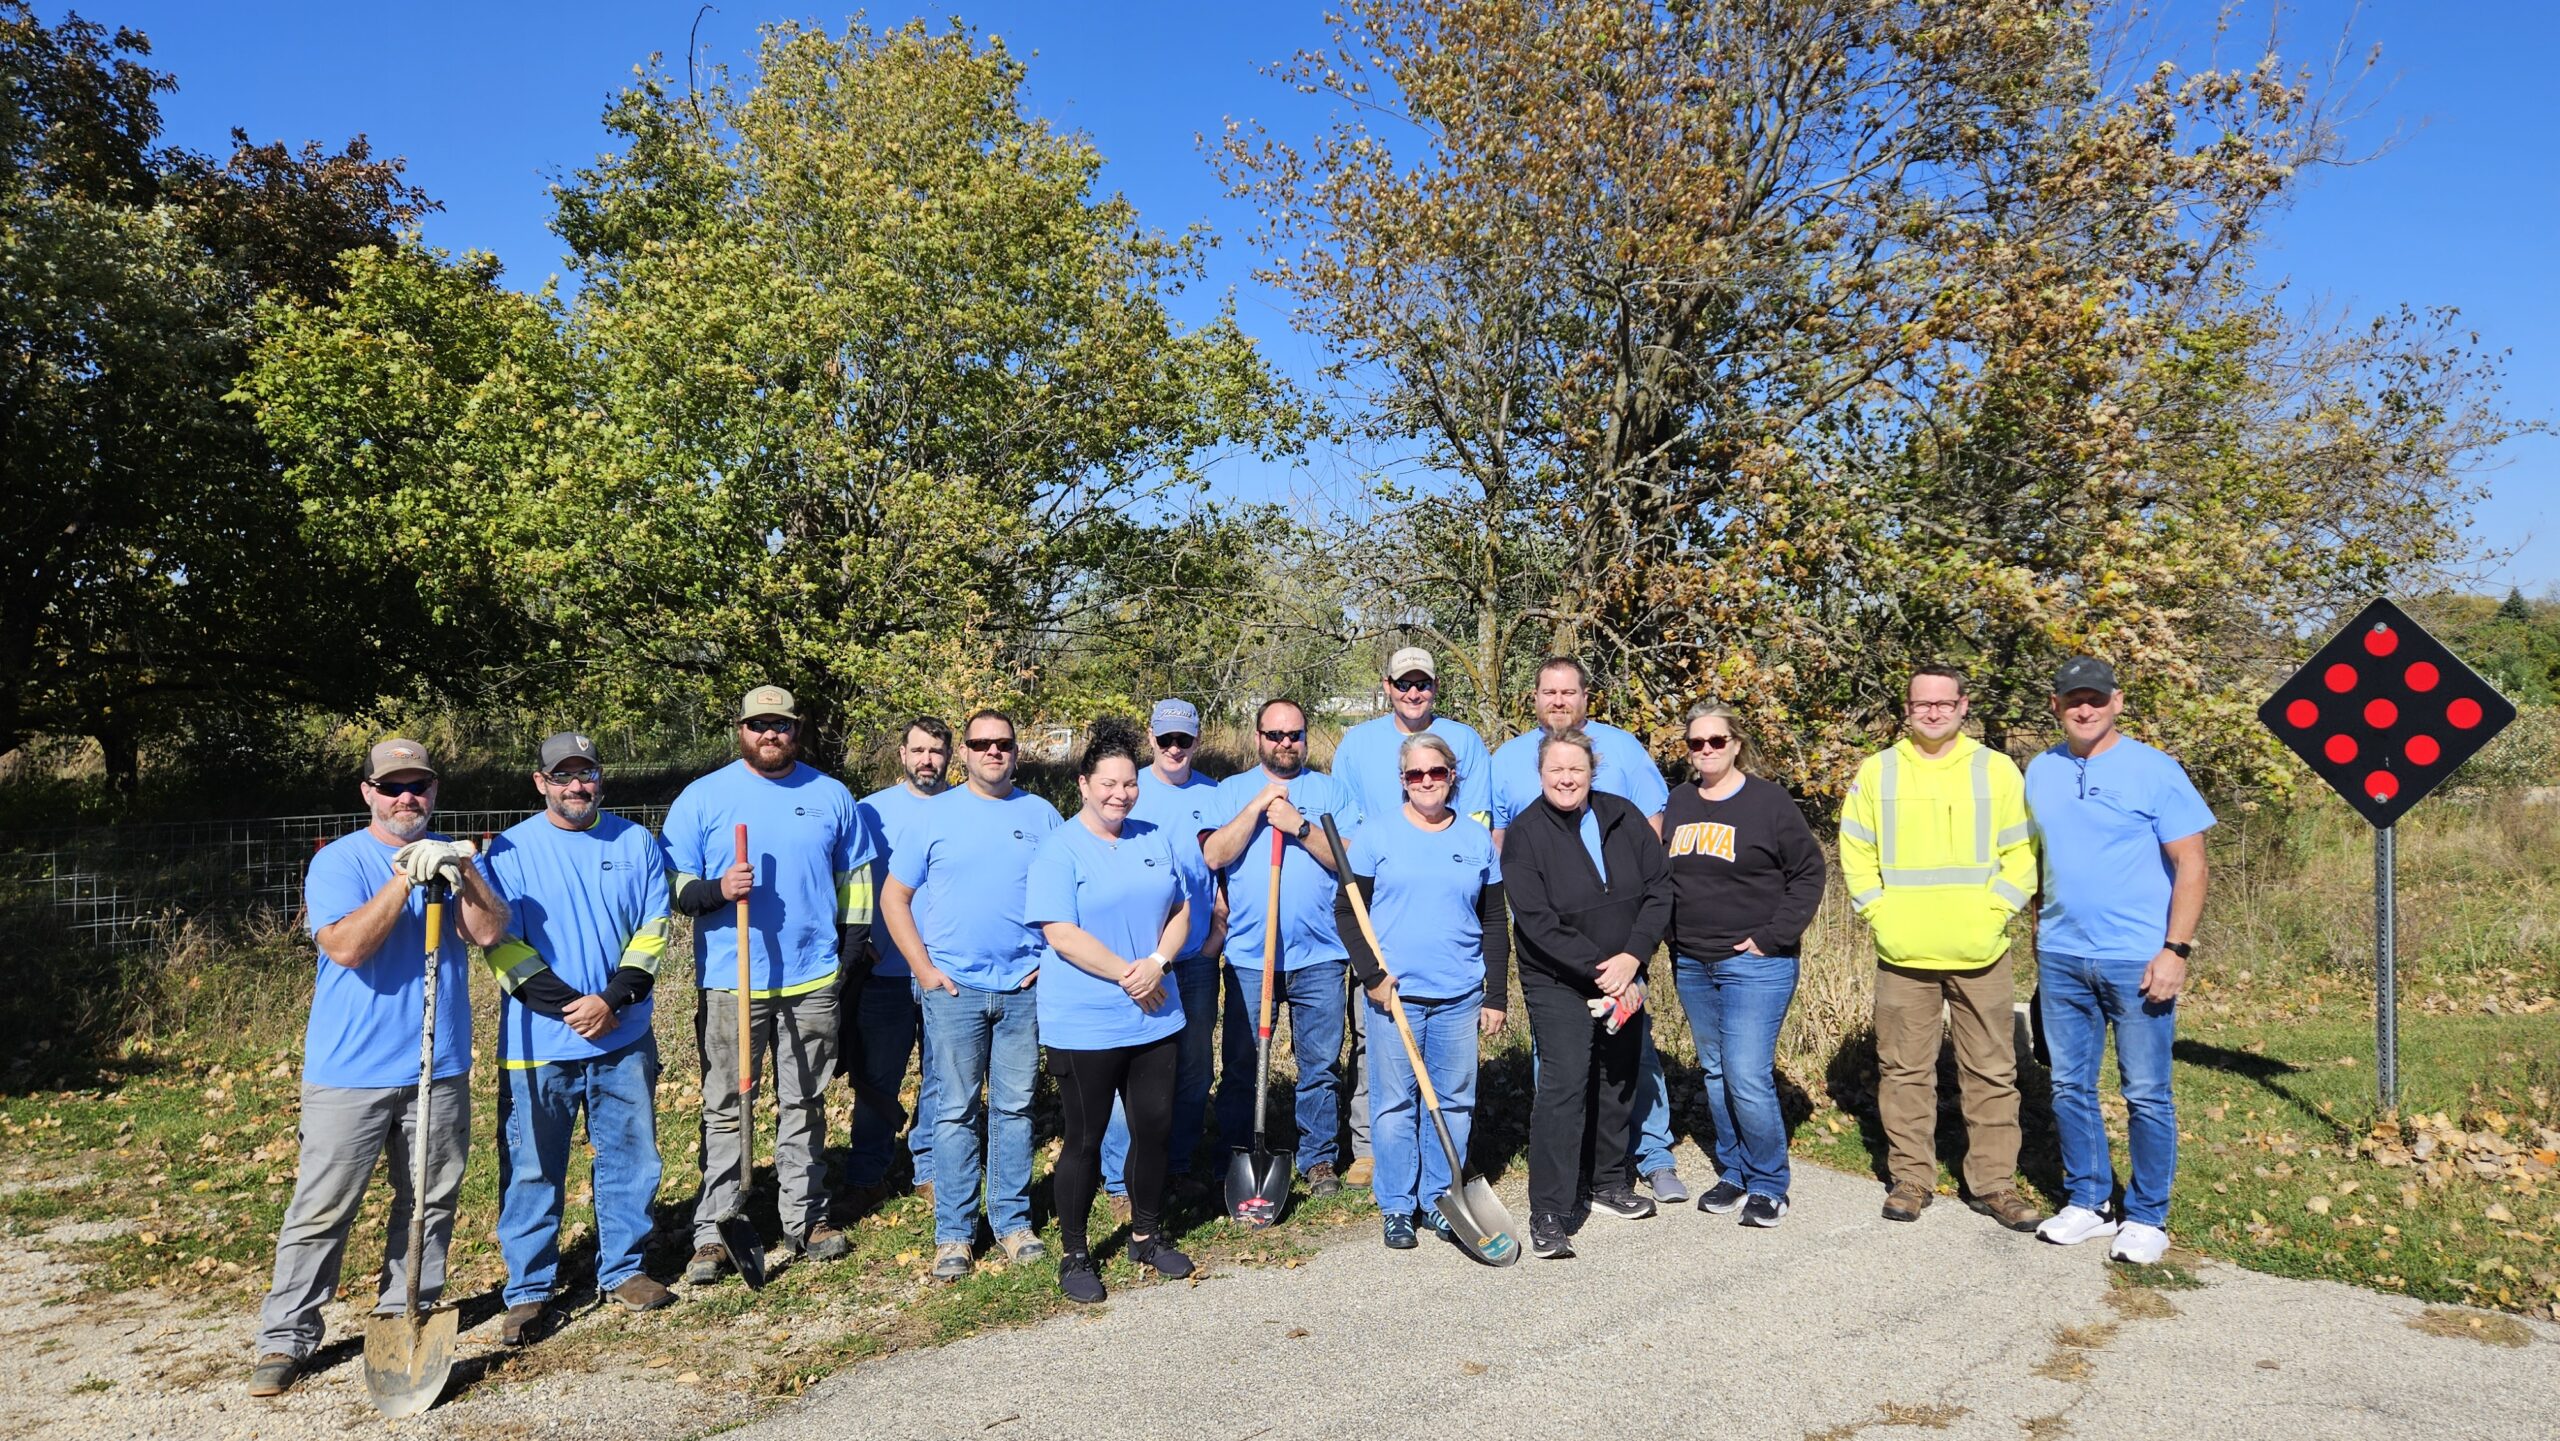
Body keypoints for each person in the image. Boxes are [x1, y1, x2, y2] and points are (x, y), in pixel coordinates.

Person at [248, 740, 510, 1398]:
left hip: (437, 1063)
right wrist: (402, 880)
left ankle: (405, 1312)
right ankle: (287, 1335)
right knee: (321, 1207)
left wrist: (464, 875)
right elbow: (347, 946)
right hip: (349, 1072)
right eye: (391, 787)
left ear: (434, 788)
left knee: (429, 1201)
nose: (406, 798)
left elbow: (489, 933)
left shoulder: (452, 856)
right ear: (367, 792)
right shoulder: (338, 862)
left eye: (417, 785)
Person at [663, 685, 873, 1284]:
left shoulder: (830, 794)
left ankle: (805, 1217)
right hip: (734, 981)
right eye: (758, 725)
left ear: (795, 730)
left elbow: (854, 879)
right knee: (727, 1103)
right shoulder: (704, 798)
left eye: (780, 725)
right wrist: (717, 891)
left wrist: (849, 952)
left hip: (811, 977)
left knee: (804, 1099)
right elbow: (673, 885)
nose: (769, 735)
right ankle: (715, 1229)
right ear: (741, 729)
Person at [477, 732, 676, 1344]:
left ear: (599, 778)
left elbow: (653, 928)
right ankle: (530, 1289)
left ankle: (624, 1270)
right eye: (562, 777)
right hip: (540, 1043)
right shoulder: (507, 851)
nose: (576, 786)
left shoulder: (635, 841)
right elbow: (498, 943)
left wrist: (612, 1000)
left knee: (631, 1159)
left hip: (622, 1034)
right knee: (533, 1168)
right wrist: (572, 1006)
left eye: (585, 774)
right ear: (541, 783)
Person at [1838, 665, 2042, 1231]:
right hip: (1904, 952)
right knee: (1903, 1071)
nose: (1932, 712)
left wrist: (1996, 911)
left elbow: (2023, 852)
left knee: (1993, 1073)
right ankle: (1911, 1177)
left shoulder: (1996, 770)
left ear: (1962, 705)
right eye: (1921, 703)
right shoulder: (1878, 772)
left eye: (1942, 703)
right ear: (1906, 709)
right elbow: (1855, 849)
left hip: (1981, 951)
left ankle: (1995, 1183)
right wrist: (1879, 912)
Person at [2025, 657, 2212, 1266]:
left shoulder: (2154, 770)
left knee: (2147, 1092)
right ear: (2055, 705)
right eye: (2074, 699)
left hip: (2137, 957)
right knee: (2070, 1085)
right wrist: (2038, 937)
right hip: (2061, 955)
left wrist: (2175, 950)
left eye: (2096, 699)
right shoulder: (2041, 770)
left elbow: (2192, 864)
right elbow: (2037, 861)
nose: (2085, 709)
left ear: (2117, 702)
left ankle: (2148, 1216)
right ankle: (2089, 1202)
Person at [1487, 656, 1687, 1205]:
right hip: (1555, 953)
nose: (1558, 700)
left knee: (1627, 1063)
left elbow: (1649, 838)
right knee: (1562, 1072)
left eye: (1568, 691)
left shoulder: (1622, 749)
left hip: (1624, 950)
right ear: (1533, 698)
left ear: (1584, 697)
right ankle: (1564, 1179)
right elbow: (1503, 845)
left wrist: (1631, 951)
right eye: (1548, 691)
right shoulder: (1506, 761)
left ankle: (1643, 1157)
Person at [1025, 717, 1202, 1302]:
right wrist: (1128, 974)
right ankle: (1075, 1254)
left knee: (1153, 1130)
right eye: (1108, 783)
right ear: (1083, 784)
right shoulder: (1060, 848)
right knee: (1085, 1138)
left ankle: (1145, 1235)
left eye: (1128, 783)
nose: (1119, 794)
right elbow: (1060, 932)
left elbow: (1181, 910)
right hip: (1085, 1020)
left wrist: (1158, 960)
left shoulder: (1153, 838)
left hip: (1155, 1013)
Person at [882, 709, 1063, 1282]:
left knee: (1014, 1108)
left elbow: (1068, 895)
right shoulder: (935, 816)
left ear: (1016, 751)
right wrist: (924, 968)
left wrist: (1050, 962)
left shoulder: (1042, 816)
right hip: (954, 991)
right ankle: (954, 1235)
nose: (993, 752)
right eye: (981, 743)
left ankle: (1012, 1223)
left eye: (1003, 743)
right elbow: (894, 898)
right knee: (955, 1112)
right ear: (963, 751)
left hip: (1022, 992)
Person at [1324, 646, 1493, 1186]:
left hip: (1454, 970)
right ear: (1387, 685)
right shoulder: (1357, 746)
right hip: (1388, 945)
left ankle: (1441, 1185)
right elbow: (1350, 864)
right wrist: (1393, 849)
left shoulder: (1466, 740)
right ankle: (1384, 1170)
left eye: (1423, 683)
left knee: (1453, 1088)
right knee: (1382, 1066)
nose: (1413, 692)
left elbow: (1485, 865)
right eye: (1404, 683)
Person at [1501, 729, 1673, 1259]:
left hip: (1625, 969)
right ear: (1541, 773)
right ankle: (1549, 1210)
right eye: (1556, 770)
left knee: (1619, 1075)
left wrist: (1633, 957)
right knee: (1566, 1084)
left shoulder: (1623, 816)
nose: (1567, 778)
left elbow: (1660, 887)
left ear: (1591, 771)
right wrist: (1605, 970)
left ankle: (1607, 1182)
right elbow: (1535, 920)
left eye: (1576, 769)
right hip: (1557, 977)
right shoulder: (1527, 832)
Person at [1334, 732, 1509, 1250]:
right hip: (1394, 998)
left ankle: (1439, 1198)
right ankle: (1396, 1205)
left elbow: (1495, 919)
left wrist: (1495, 994)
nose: (1427, 782)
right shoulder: (1377, 836)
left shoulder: (1476, 840)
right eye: (1415, 774)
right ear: (1402, 780)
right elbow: (1349, 912)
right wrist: (1372, 976)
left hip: (1459, 994)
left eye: (1437, 772)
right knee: (1394, 1105)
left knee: (1453, 1101)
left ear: (1452, 776)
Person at [1663, 702, 1825, 1228]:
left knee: (1746, 1073)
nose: (1706, 750)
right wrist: (1671, 937)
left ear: (1736, 744)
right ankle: (1733, 1170)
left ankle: (1769, 1182)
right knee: (1714, 1072)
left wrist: (1771, 937)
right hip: (1692, 961)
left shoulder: (1768, 802)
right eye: (1696, 743)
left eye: (1716, 741)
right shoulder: (1680, 802)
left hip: (1754, 964)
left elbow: (1808, 872)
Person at [1202, 698, 1362, 1198]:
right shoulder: (1230, 791)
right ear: (1258, 739)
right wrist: (1257, 809)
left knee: (1319, 1064)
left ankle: (1319, 1159)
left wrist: (1300, 826)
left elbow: (1351, 860)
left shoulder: (1331, 791)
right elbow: (1213, 854)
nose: (1285, 743)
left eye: (1294, 734)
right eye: (1274, 735)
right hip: (1252, 956)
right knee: (1244, 1064)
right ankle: (1238, 1152)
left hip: (1320, 954)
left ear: (1306, 737)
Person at [1099, 699, 1226, 1210]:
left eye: (1184, 740)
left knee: (1193, 1065)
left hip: (1193, 957)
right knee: (1127, 1067)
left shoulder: (1216, 794)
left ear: (1198, 740)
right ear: (1150, 739)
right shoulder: (1126, 789)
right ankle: (1117, 1179)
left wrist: (1217, 929)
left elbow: (1226, 871)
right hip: (1135, 959)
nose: (1175, 749)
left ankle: (1175, 1165)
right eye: (1165, 739)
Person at [848, 717, 954, 1210]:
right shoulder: (868, 812)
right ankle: (867, 1169)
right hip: (884, 970)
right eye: (918, 750)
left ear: (950, 756)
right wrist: (856, 939)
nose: (926, 760)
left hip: (947, 971)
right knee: (877, 1078)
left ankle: (928, 1165)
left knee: (941, 1075)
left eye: (935, 750)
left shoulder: (965, 808)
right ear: (902, 754)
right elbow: (844, 881)